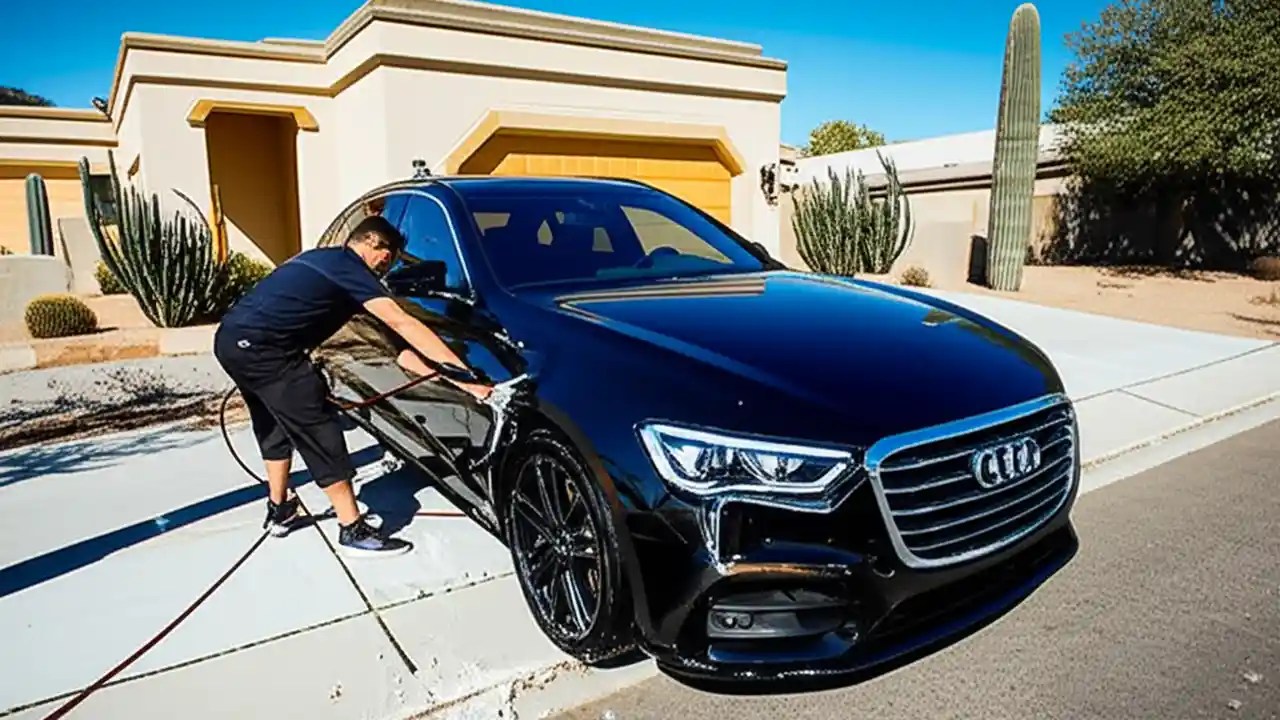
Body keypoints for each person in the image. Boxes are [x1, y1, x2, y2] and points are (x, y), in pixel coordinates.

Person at [213, 215, 492, 558]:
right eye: (387, 258)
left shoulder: (323, 263)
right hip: (265, 350)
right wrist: (469, 375)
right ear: (373, 243)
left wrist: (453, 379)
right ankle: (352, 529)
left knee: (273, 426)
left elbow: (397, 347)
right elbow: (401, 320)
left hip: (230, 341)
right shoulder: (347, 266)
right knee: (318, 428)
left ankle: (280, 510)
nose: (386, 269)